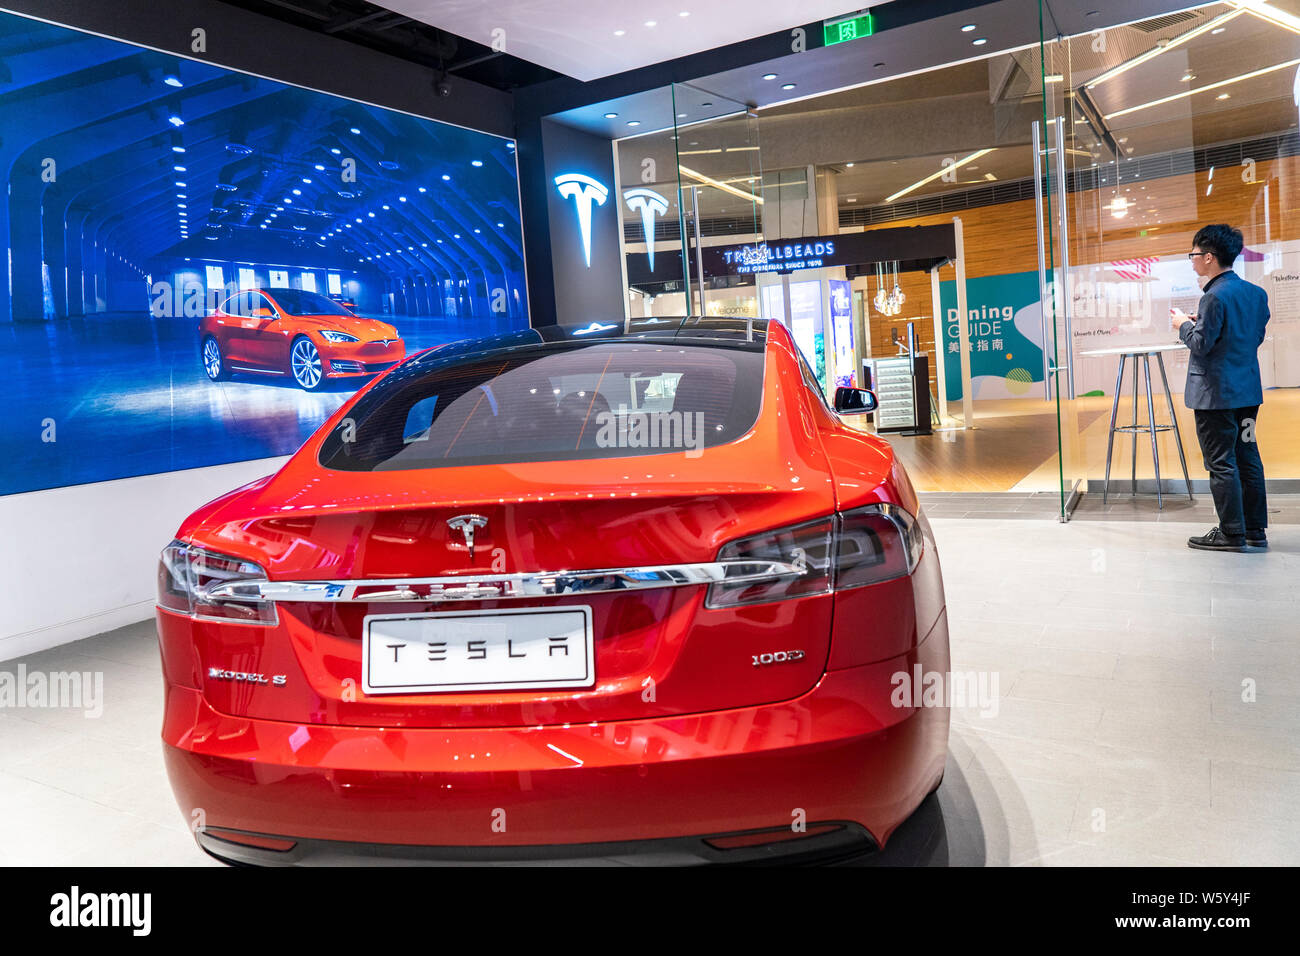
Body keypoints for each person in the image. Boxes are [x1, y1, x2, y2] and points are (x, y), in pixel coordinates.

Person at [1169, 224, 1270, 552]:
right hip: (1247, 392)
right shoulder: (1256, 294)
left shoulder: (1214, 296)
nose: (1192, 261)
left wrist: (1184, 325)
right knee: (1247, 456)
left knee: (1220, 461)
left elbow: (1200, 345)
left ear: (1209, 257)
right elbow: (1250, 339)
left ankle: (1231, 532)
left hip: (1215, 396)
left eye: (1194, 254)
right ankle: (1254, 530)